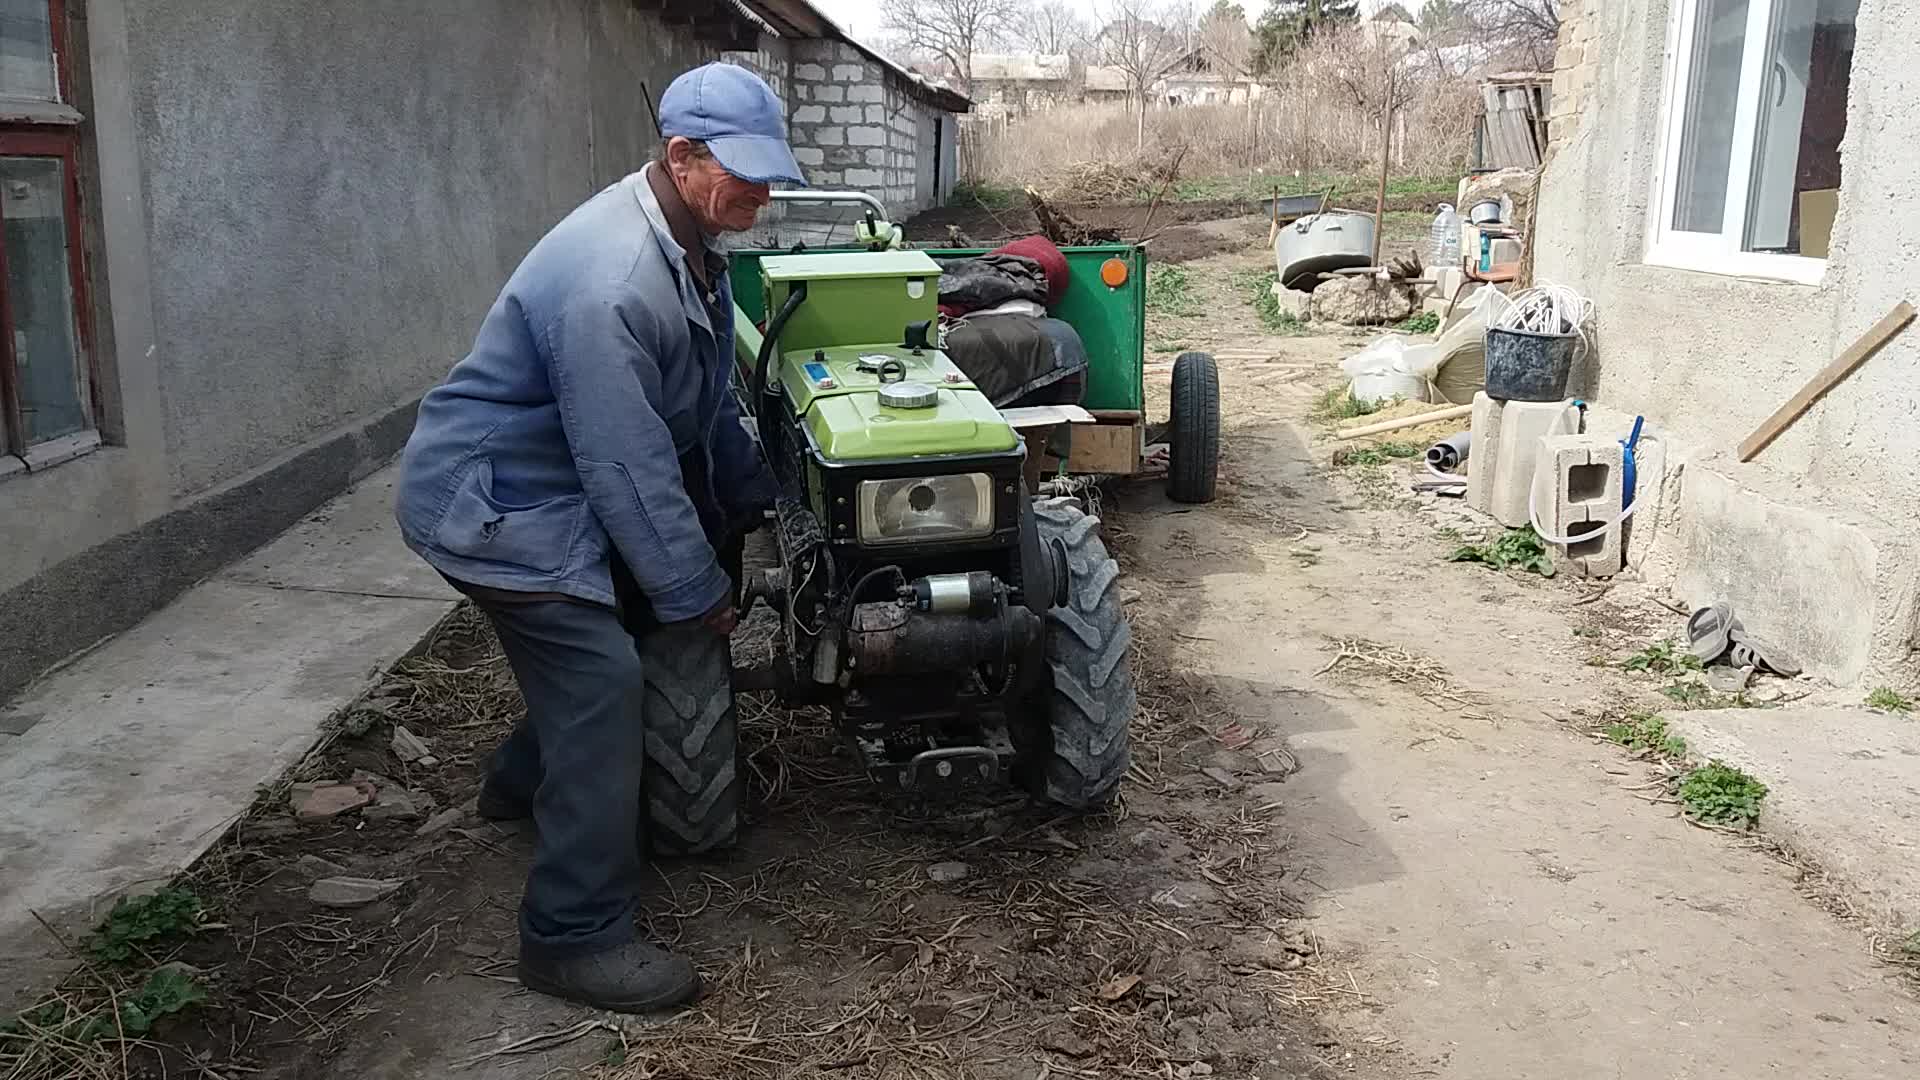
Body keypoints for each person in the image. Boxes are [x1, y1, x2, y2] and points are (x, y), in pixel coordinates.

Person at [393, 63, 798, 1013]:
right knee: (603, 679)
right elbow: (627, 465)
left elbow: (697, 409)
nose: (764, 194)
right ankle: (572, 933)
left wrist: (758, 495)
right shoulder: (613, 282)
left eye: (771, 172)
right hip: (495, 503)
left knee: (620, 621)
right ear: (683, 155)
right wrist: (698, 592)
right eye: (744, 173)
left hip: (551, 481)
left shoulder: (692, 238)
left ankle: (519, 785)